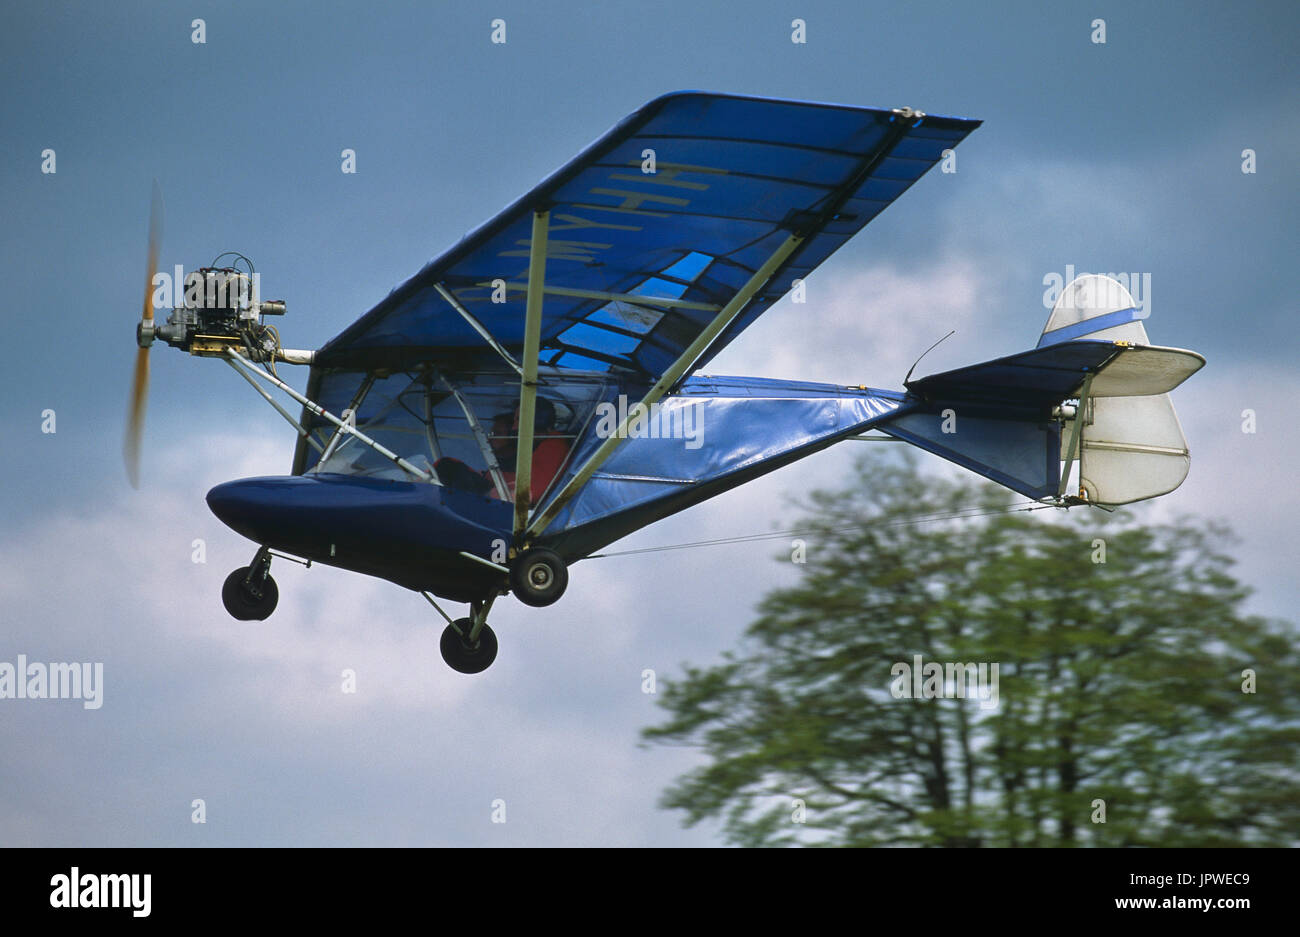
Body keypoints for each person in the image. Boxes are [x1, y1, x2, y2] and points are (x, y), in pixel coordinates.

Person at [436, 397, 570, 505]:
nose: (514, 427)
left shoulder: (553, 447)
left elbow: (529, 491)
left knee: (447, 467)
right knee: (447, 465)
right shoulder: (545, 446)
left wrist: (488, 495)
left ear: (536, 420)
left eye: (518, 420)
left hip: (505, 504)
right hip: (501, 494)